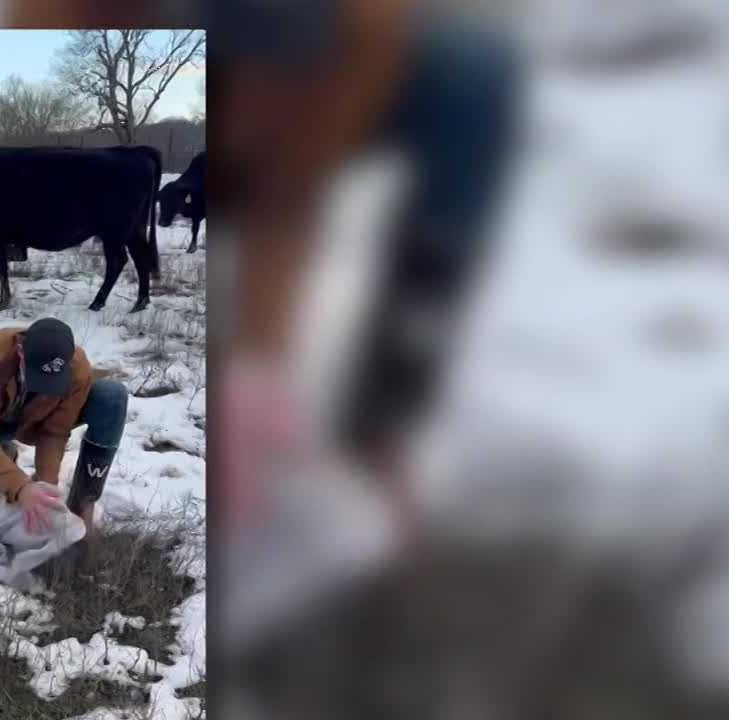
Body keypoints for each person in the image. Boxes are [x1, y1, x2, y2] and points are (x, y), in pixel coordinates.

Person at [215, 0, 524, 537]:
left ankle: (384, 422)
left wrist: (259, 359)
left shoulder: (359, 38)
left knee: (478, 76)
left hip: (342, 56)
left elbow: (286, 188)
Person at [0, 317, 128, 535]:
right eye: (39, 378)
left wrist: (46, 489)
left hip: (36, 423)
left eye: (52, 381)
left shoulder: (76, 367)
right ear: (20, 352)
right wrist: (20, 487)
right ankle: (3, 455)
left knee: (112, 395)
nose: (45, 388)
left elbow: (54, 433)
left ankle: (84, 504)